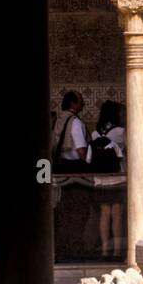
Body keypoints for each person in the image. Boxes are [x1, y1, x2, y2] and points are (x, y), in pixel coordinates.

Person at [90, 100, 126, 259]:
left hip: (100, 179)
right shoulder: (120, 132)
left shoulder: (95, 133)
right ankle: (118, 251)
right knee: (117, 214)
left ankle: (105, 251)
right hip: (117, 178)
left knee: (104, 214)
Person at [51, 90, 89, 172]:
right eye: (81, 101)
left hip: (60, 165)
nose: (83, 103)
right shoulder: (75, 122)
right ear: (73, 104)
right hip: (75, 167)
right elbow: (81, 151)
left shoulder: (59, 119)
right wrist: (90, 165)